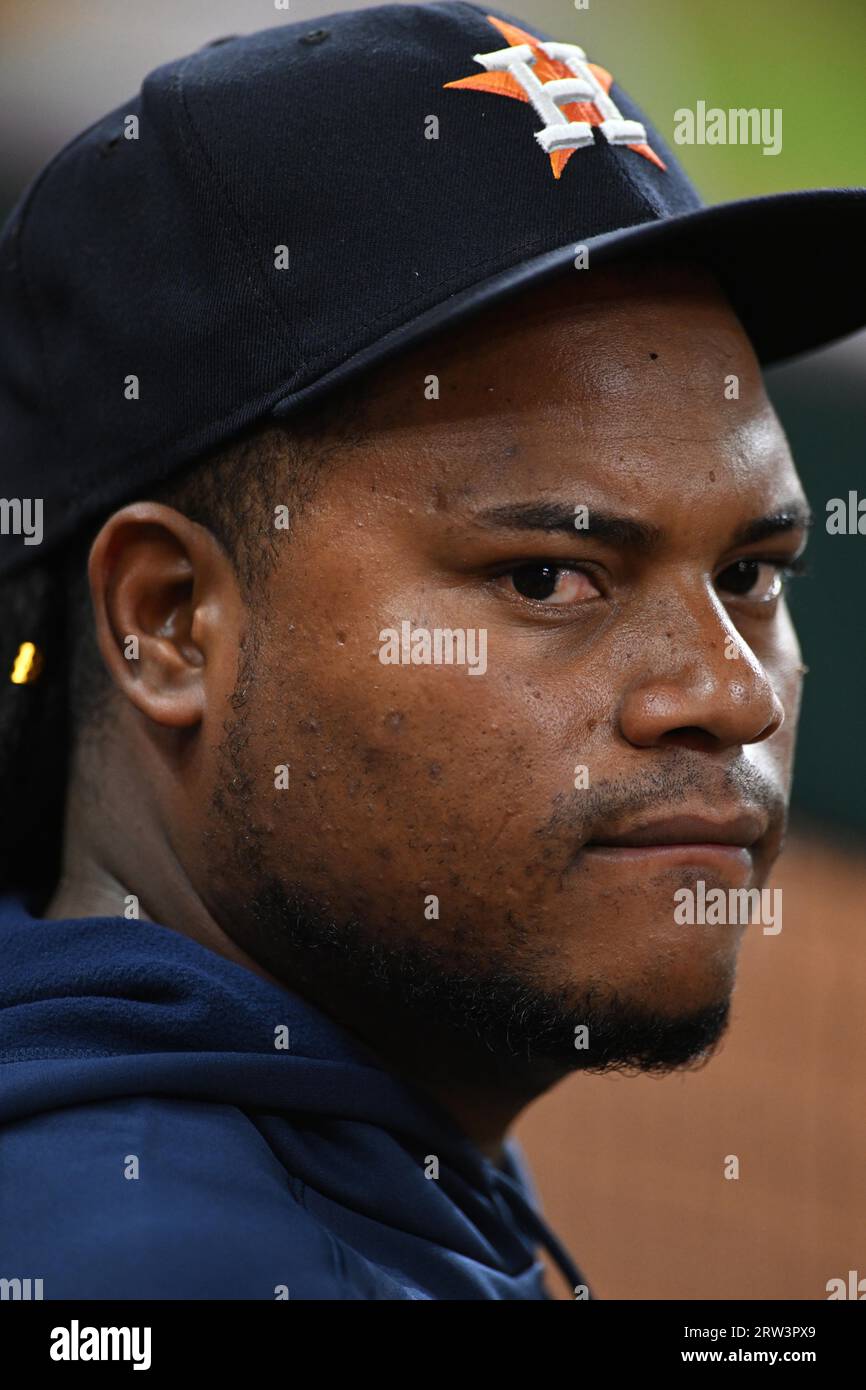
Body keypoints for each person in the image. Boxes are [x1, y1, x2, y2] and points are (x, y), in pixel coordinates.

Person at [0, 3, 863, 1300]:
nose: (729, 693)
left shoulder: (320, 1168)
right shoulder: (155, 1264)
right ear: (167, 621)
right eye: (547, 576)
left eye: (749, 574)